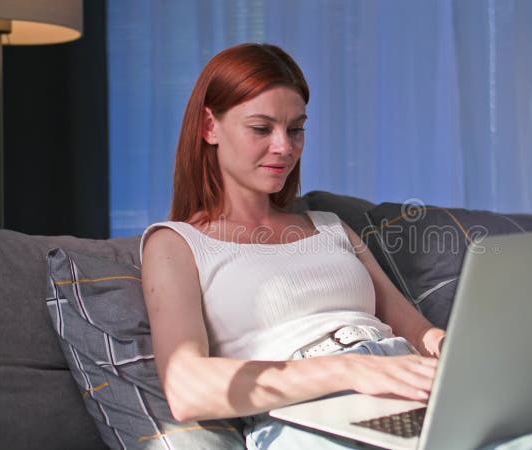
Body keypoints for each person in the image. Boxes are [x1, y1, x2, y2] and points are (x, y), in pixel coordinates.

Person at [140, 43, 445, 449]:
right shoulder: (176, 244)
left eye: (296, 128)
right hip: (309, 411)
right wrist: (349, 370)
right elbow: (186, 388)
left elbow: (418, 332)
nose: (285, 147)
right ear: (210, 127)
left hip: (407, 387)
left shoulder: (330, 227)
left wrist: (451, 347)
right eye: (262, 129)